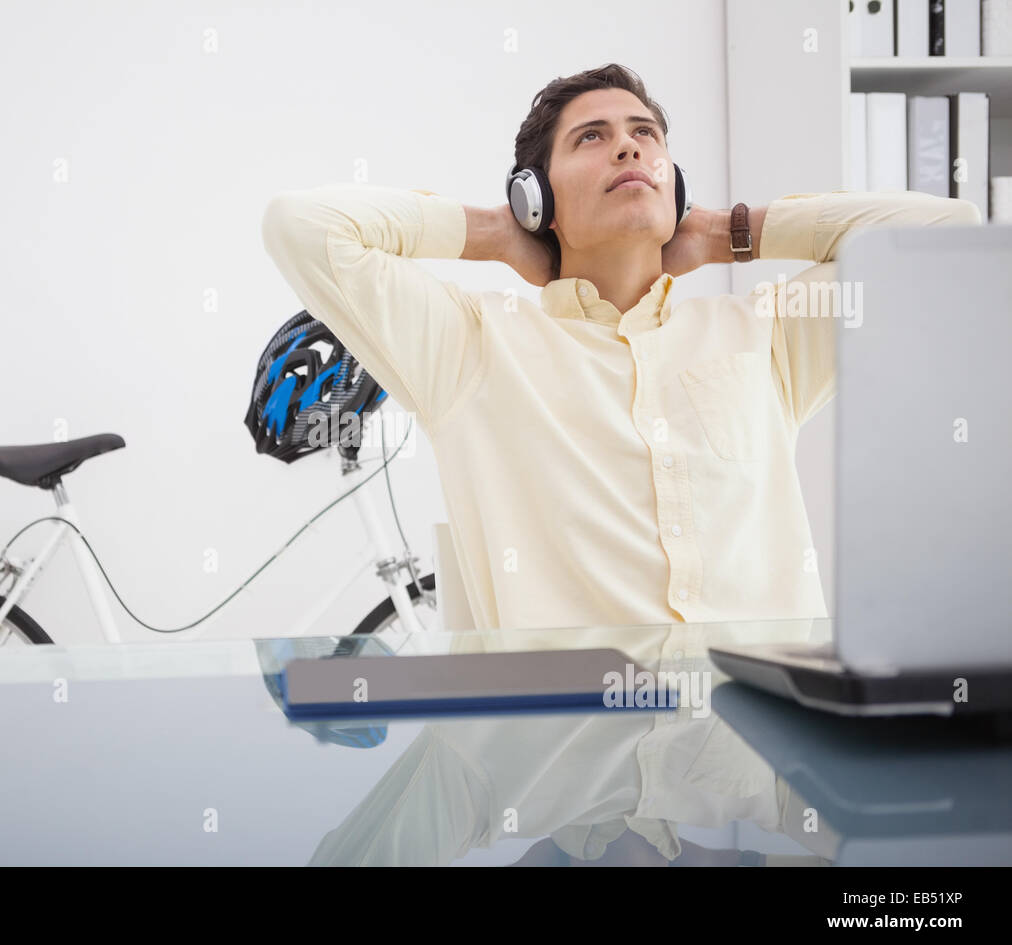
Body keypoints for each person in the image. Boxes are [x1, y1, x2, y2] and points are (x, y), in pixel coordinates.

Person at [261, 63, 980, 631]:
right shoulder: (472, 348)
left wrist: (735, 231)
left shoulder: (765, 334)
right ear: (533, 197)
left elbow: (945, 235)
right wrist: (494, 235)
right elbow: (302, 225)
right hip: (573, 796)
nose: (630, 145)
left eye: (645, 134)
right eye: (592, 137)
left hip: (759, 784)